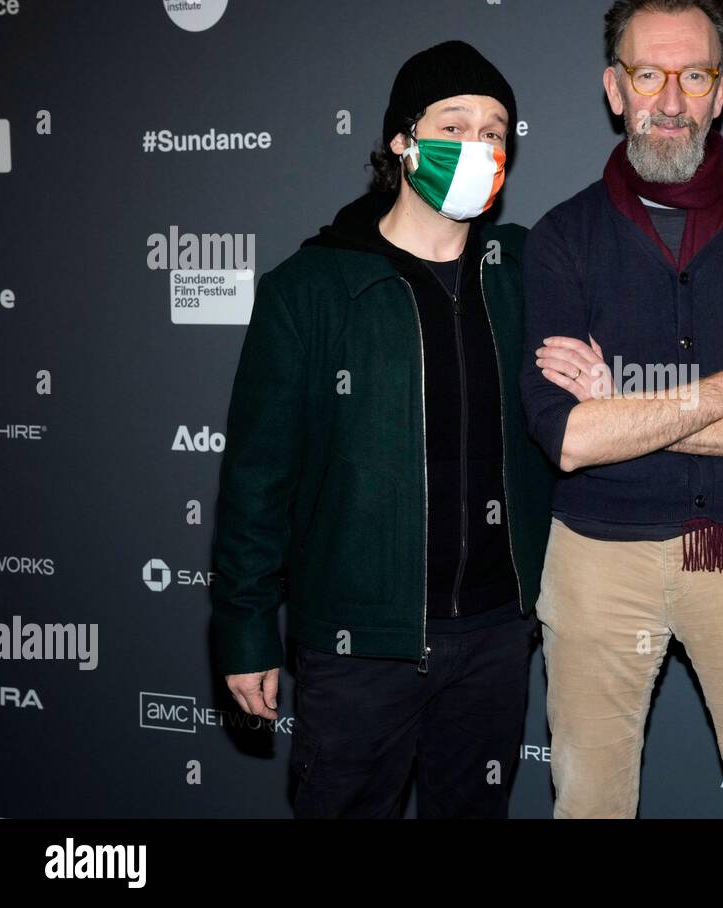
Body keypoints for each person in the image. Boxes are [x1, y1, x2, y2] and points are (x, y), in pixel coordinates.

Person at [519, 0, 723, 819]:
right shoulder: (559, 240)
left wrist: (628, 407)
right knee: (589, 804)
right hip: (597, 559)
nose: (670, 98)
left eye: (692, 75)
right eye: (648, 74)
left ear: (721, 90)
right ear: (614, 89)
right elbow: (569, 438)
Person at [210, 41, 554, 818]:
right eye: (455, 124)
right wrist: (244, 628)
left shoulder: (528, 269)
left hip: (499, 636)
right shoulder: (313, 288)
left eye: (495, 132)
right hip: (359, 644)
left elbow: (639, 270)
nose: (478, 147)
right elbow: (259, 477)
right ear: (402, 141)